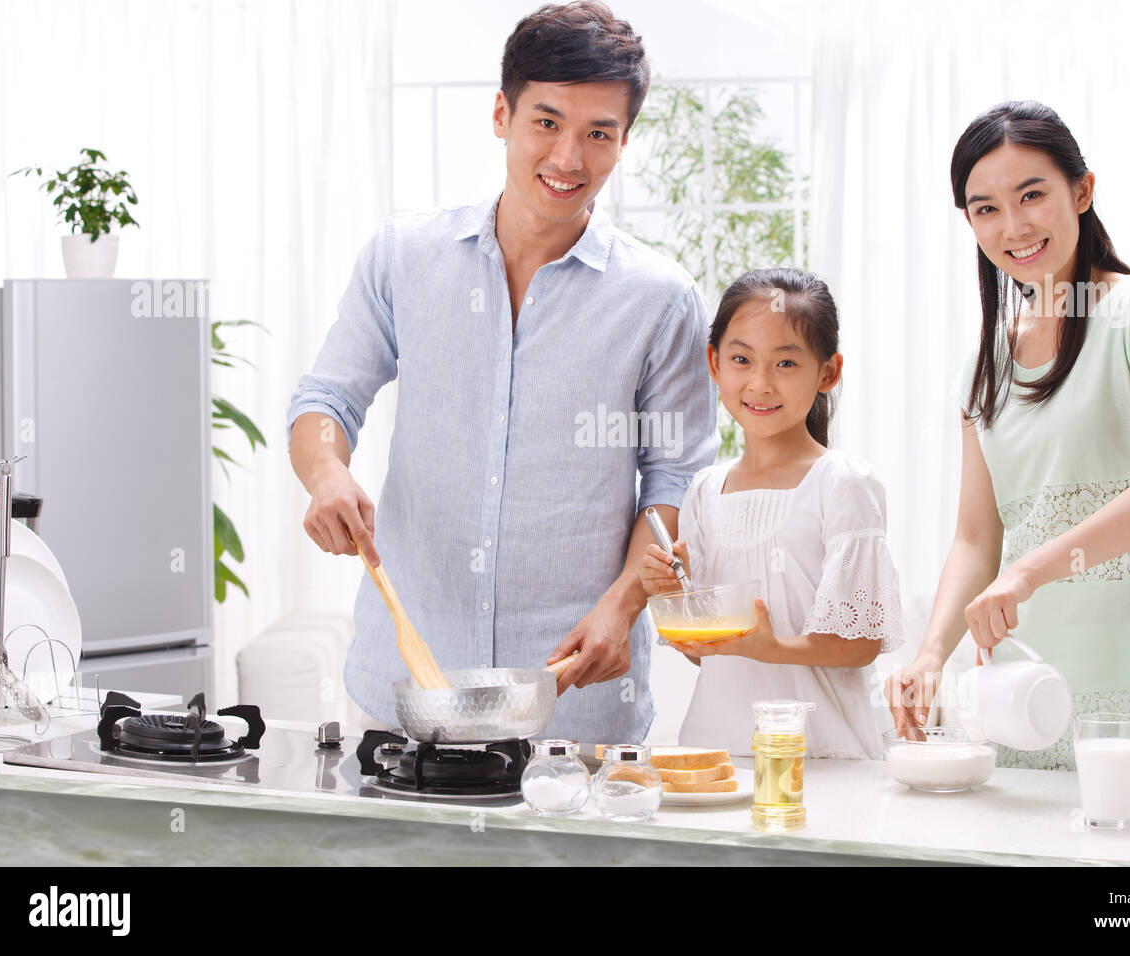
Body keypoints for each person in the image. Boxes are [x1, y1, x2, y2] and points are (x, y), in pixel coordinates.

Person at [286, 2, 717, 743]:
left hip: (573, 701)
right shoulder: (404, 257)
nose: (568, 159)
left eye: (598, 135)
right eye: (546, 123)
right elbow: (328, 399)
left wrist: (623, 605)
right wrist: (326, 472)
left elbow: (673, 477)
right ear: (501, 114)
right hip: (402, 694)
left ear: (623, 142)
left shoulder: (659, 300)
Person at [885, 100, 1130, 776]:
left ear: (1082, 190)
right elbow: (977, 539)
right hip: (1026, 692)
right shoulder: (985, 362)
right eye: (985, 208)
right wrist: (930, 654)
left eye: (1031, 194)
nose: (1013, 226)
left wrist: (1028, 571)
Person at [640, 268, 903, 758]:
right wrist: (674, 596)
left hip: (822, 758)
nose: (760, 383)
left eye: (785, 363)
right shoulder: (704, 490)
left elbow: (861, 644)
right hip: (715, 754)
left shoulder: (843, 484)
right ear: (715, 363)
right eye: (742, 359)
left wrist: (772, 648)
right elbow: (705, 653)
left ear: (828, 372)